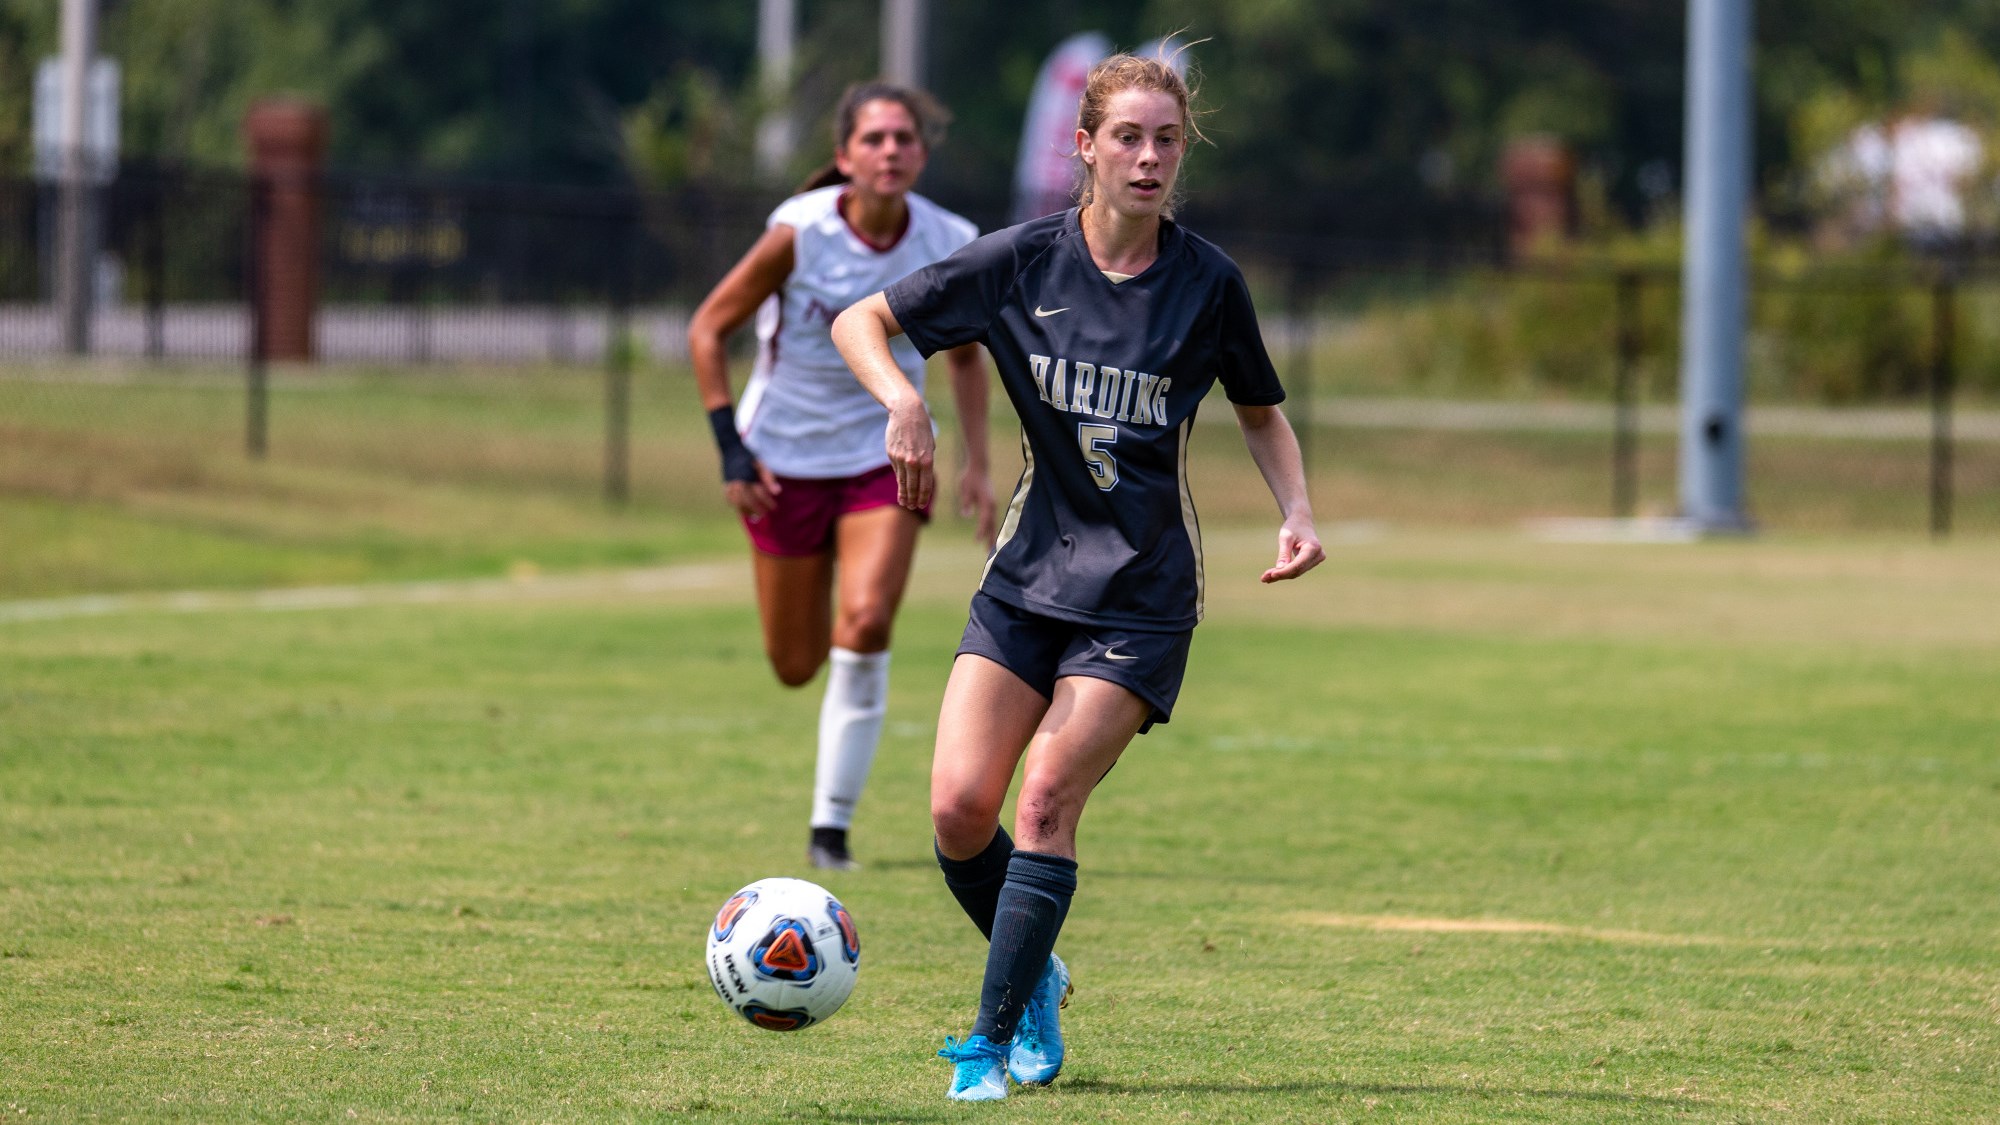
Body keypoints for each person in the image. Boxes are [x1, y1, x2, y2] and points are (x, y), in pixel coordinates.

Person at [832, 50, 1324, 1101]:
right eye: (1128, 138)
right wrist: (902, 400)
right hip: (1024, 579)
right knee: (959, 811)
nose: (1148, 158)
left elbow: (1259, 412)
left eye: (1166, 140)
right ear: (1085, 147)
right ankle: (1035, 971)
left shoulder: (1208, 283)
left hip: (1141, 597)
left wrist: (1296, 510)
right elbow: (858, 321)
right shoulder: (1020, 262)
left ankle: (989, 1041)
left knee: (1047, 797)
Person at [688, 82, 997, 872]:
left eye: (904, 138)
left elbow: (967, 356)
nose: (891, 150)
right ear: (844, 156)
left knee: (864, 622)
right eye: (874, 139)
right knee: (796, 664)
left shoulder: (950, 239)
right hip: (783, 460)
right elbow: (708, 328)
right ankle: (828, 803)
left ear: (922, 154)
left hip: (883, 454)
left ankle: (830, 831)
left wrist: (978, 461)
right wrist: (729, 449)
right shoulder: (800, 232)